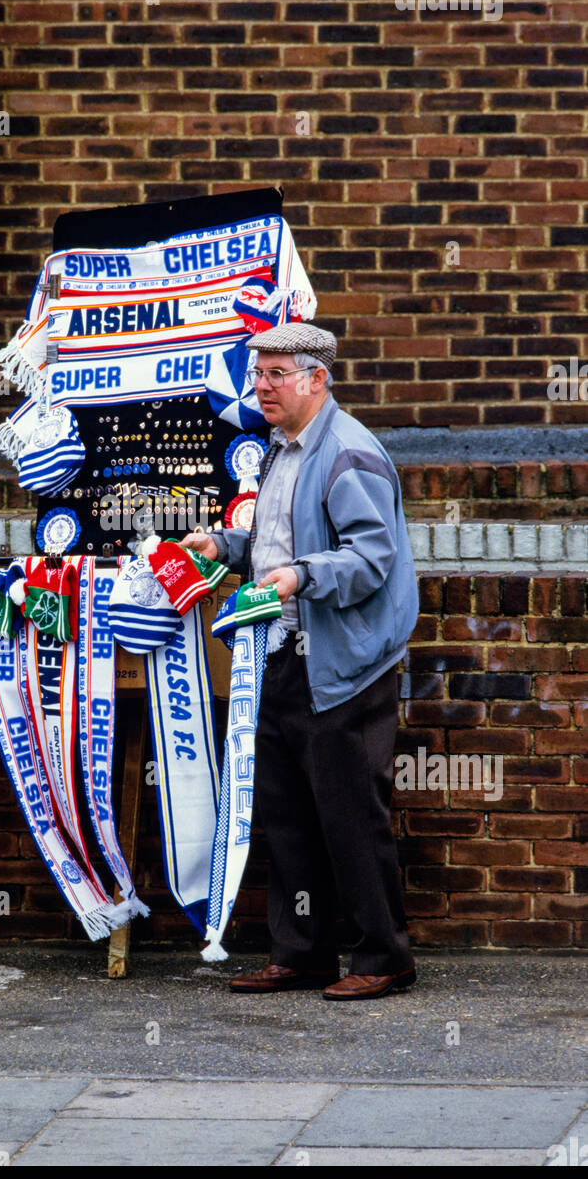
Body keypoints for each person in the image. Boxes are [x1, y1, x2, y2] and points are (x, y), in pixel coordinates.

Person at [182, 322, 420, 1000]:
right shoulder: (281, 449)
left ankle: (385, 958)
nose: (263, 385)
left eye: (278, 373)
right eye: (259, 372)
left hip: (341, 663)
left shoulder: (348, 451)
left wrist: (297, 578)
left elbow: (370, 559)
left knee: (349, 813)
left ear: (319, 379)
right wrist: (226, 547)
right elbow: (278, 539)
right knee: (285, 813)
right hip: (283, 654)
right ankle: (303, 953)